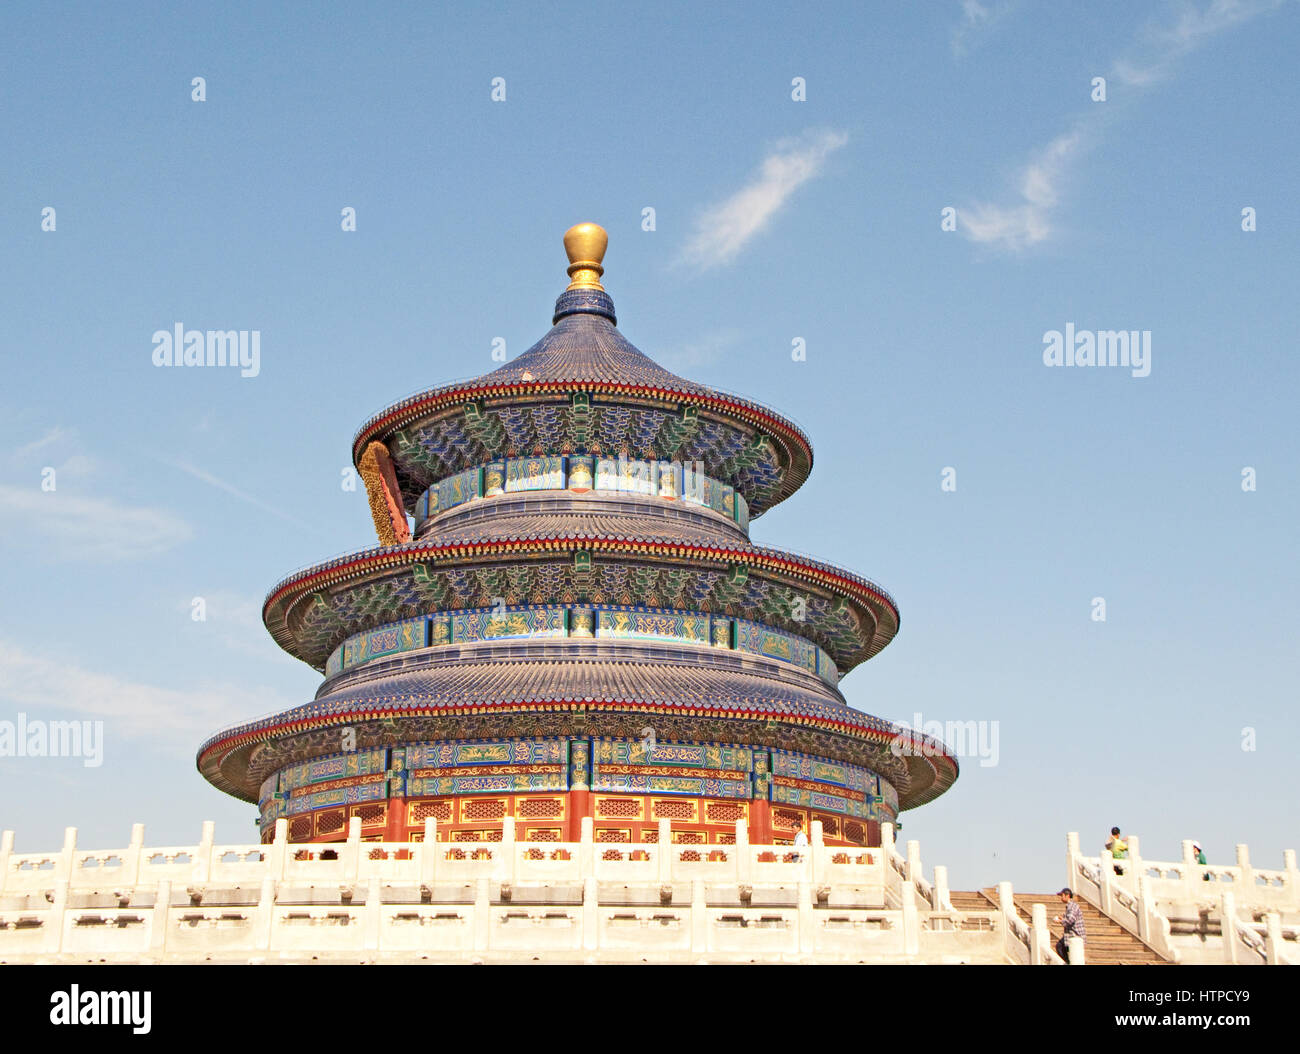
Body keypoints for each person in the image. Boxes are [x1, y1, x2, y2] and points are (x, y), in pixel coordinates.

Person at [1054, 887, 1086, 963]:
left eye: (1062, 895)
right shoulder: (1070, 906)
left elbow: (1070, 920)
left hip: (1075, 935)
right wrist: (1062, 918)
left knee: (1061, 947)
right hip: (1070, 935)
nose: (1061, 898)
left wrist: (1060, 921)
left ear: (1067, 895)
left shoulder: (1073, 906)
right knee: (1060, 946)